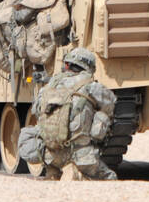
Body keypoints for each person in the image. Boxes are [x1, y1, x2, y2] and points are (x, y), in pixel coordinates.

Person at [25, 48, 118, 181]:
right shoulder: (91, 86)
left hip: (50, 156)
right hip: (81, 155)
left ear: (67, 65)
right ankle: (76, 174)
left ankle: (56, 173)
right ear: (89, 67)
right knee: (110, 179)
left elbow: (37, 111)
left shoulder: (48, 87)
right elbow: (110, 102)